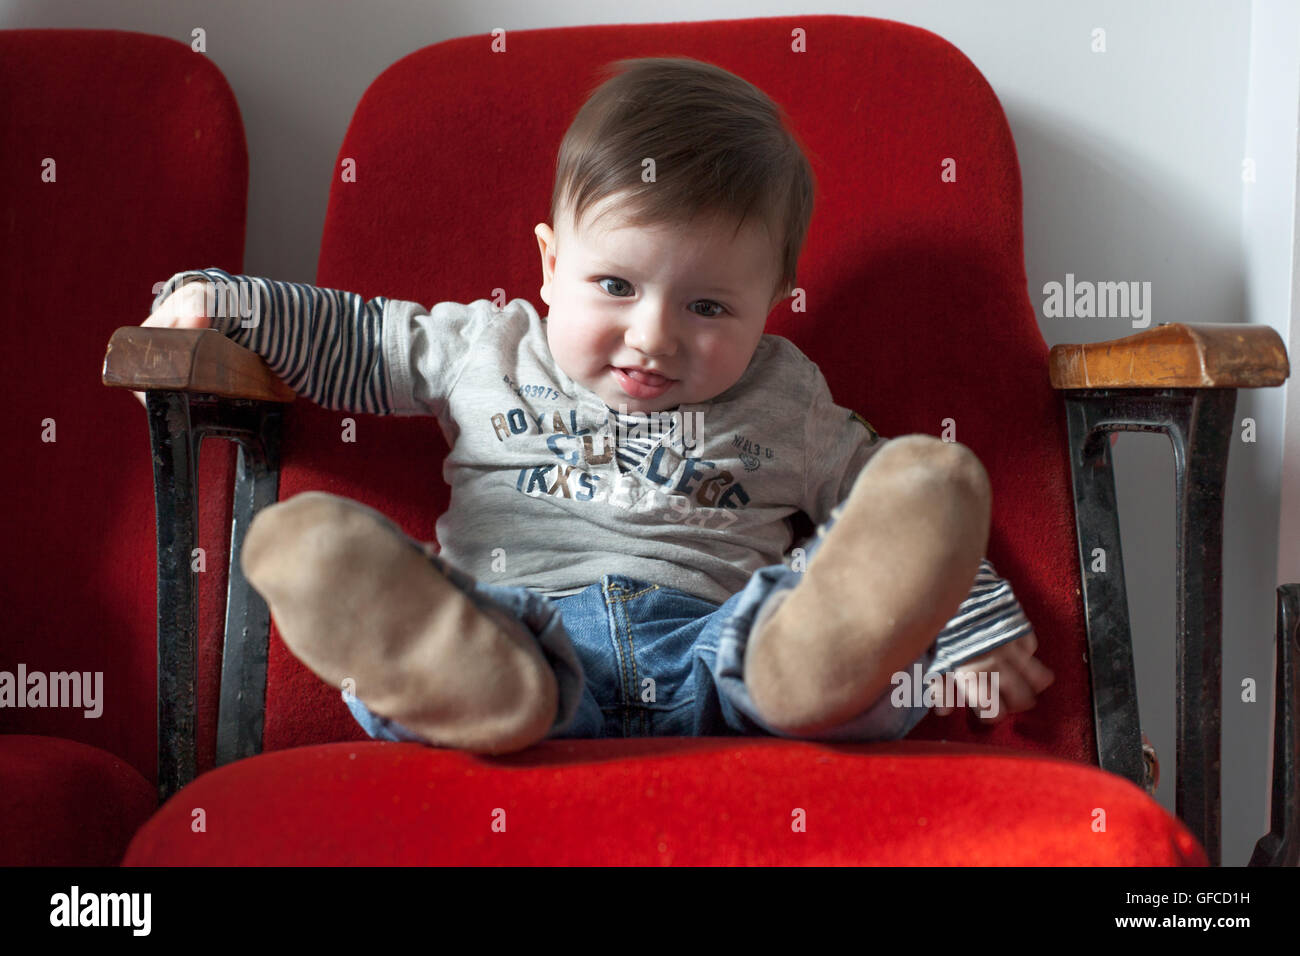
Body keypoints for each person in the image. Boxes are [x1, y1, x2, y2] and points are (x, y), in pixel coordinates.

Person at [137, 56, 1053, 755]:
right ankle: (445, 667)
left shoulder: (788, 395)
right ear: (547, 264)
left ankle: (807, 671)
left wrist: (969, 619)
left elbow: (889, 511)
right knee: (478, 633)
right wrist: (225, 303)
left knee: (801, 610)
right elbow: (356, 338)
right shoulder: (485, 347)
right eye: (614, 284)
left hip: (721, 658)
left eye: (708, 307)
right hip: (521, 634)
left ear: (773, 298)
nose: (653, 336)